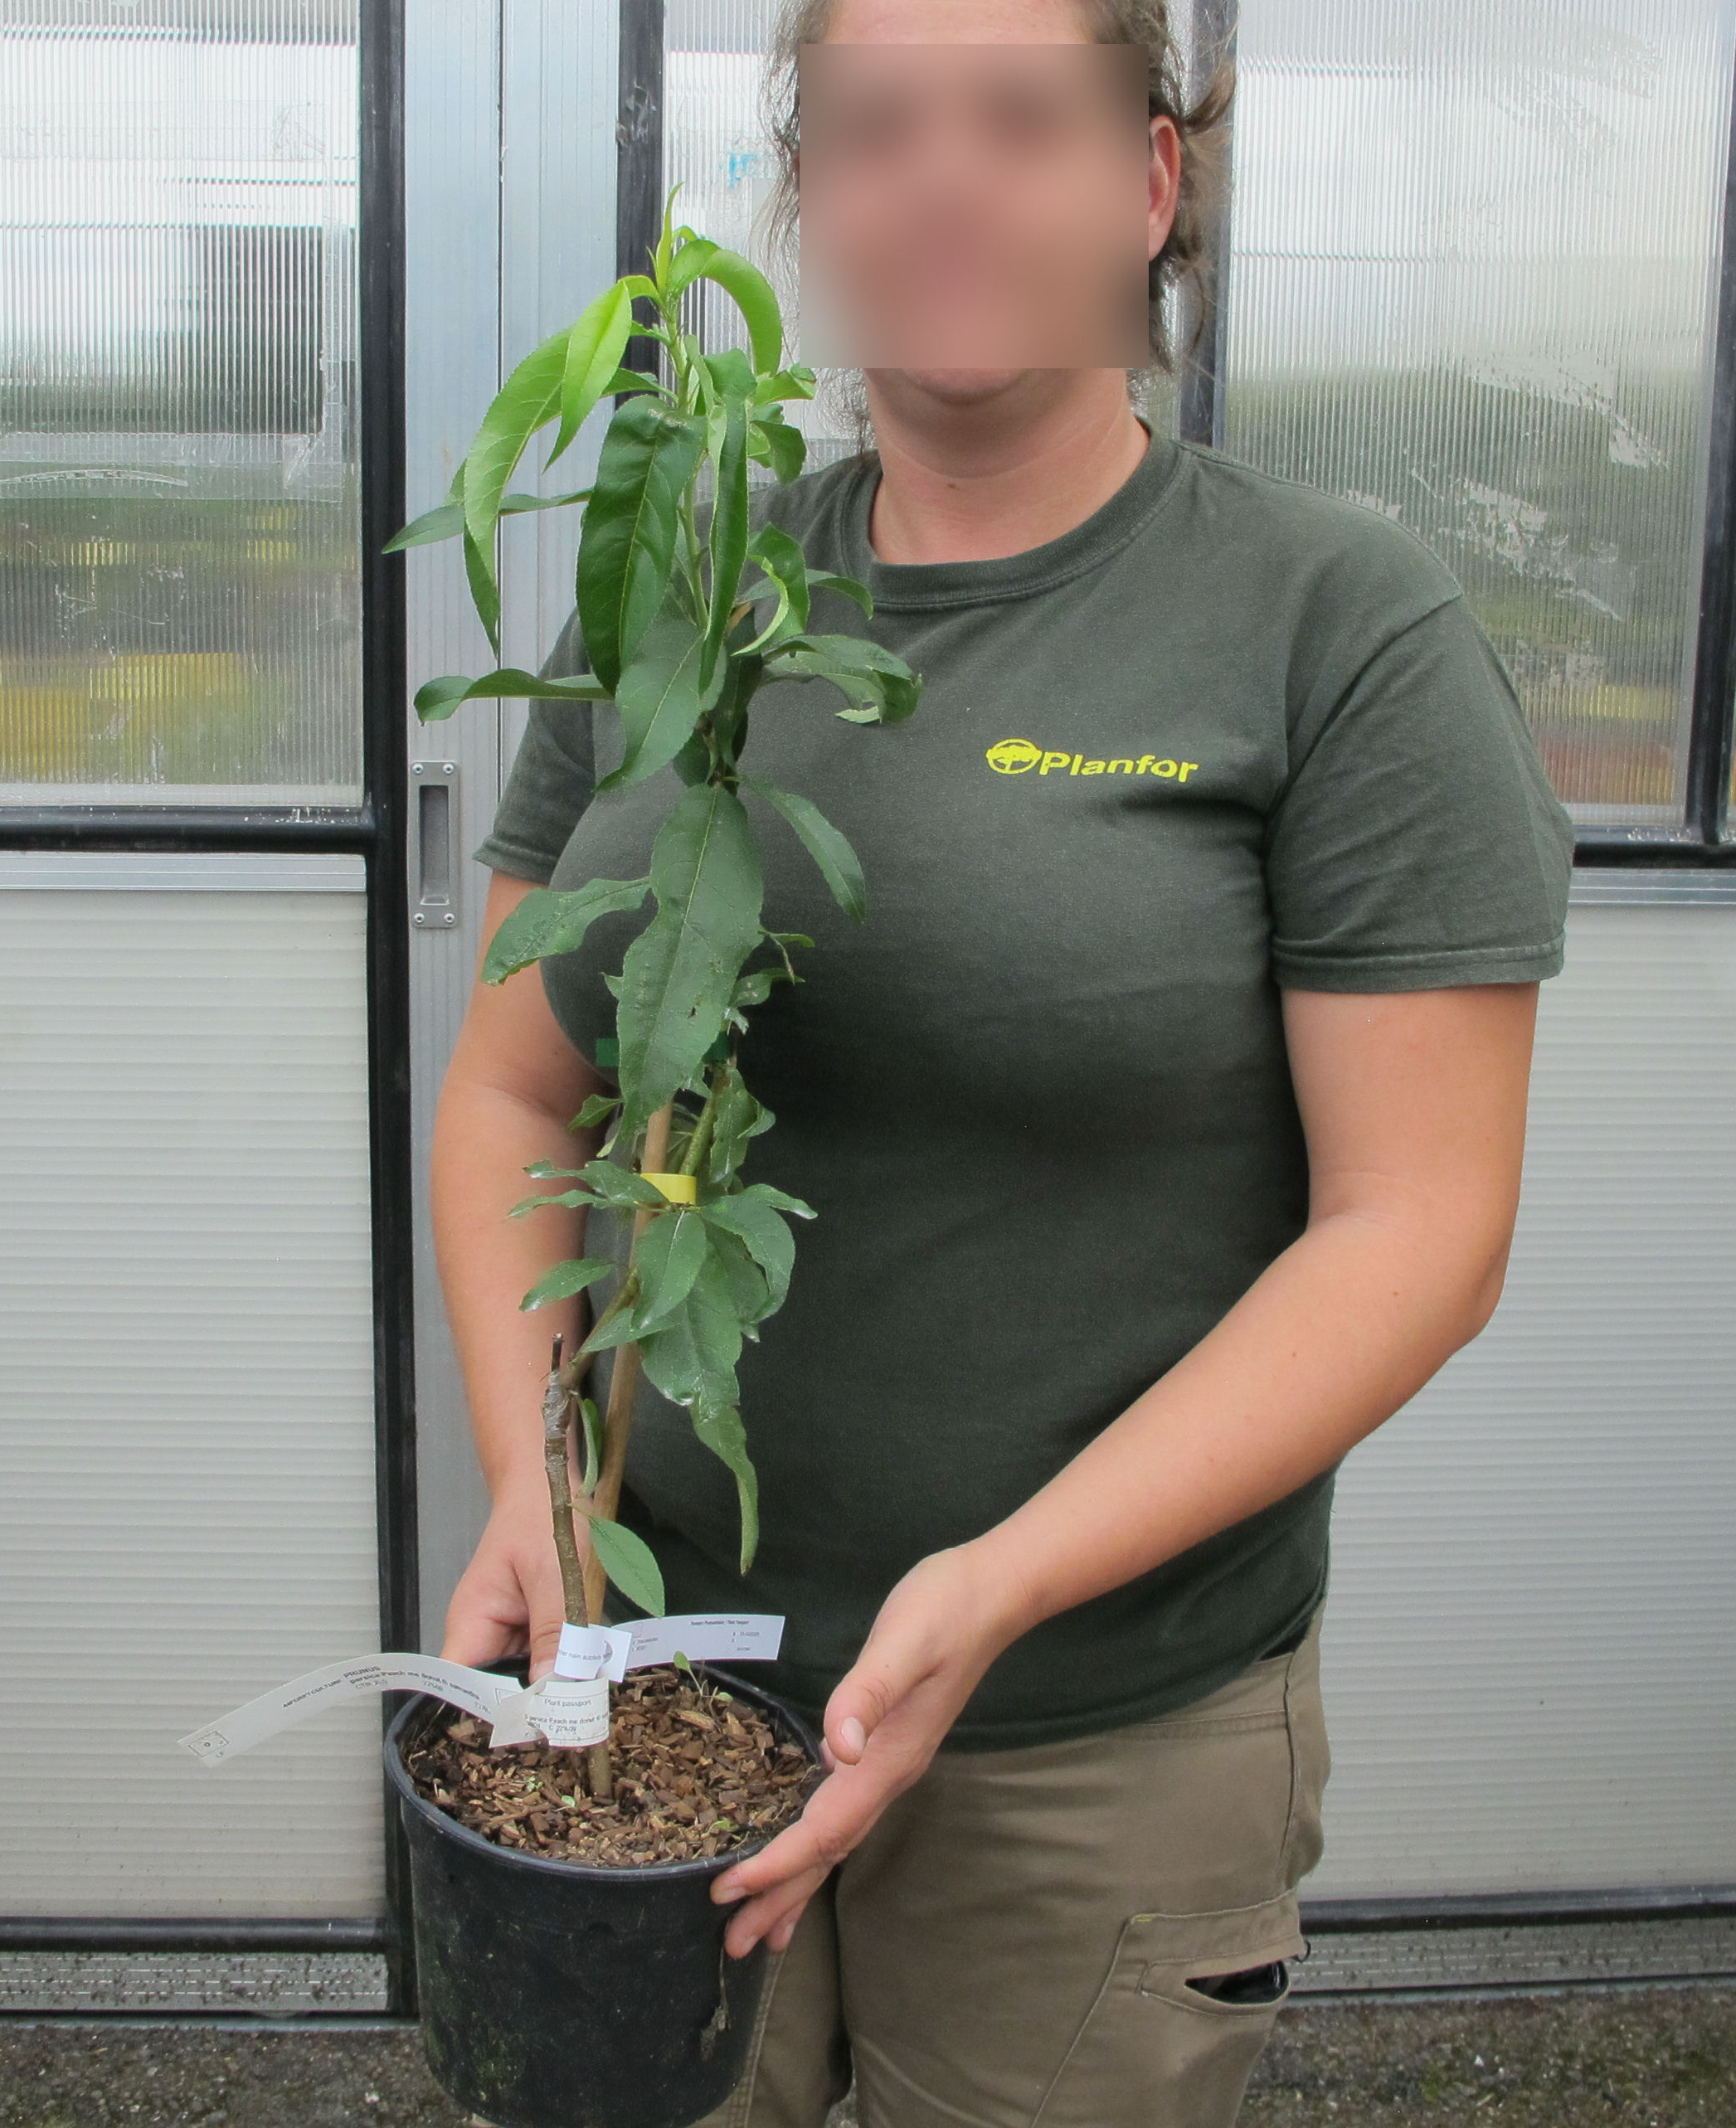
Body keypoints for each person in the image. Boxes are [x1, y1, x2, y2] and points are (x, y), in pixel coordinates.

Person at [432, 1, 1575, 2122]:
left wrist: (997, 1583)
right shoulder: (693, 598)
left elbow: (1416, 1223)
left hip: (1092, 1733)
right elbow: (519, 1088)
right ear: (808, 204)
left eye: (1017, 121)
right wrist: (533, 1473)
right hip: (668, 1688)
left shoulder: (1330, 621)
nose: (940, 177)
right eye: (872, 130)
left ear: (1148, 183)